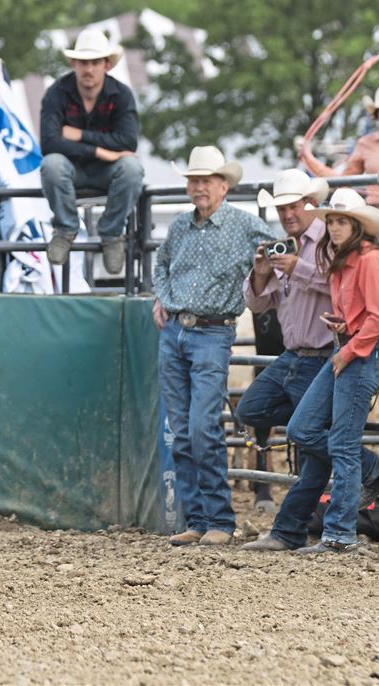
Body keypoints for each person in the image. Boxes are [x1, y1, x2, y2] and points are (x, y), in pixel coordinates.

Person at [243, 188, 379, 553]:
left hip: (359, 353)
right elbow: (366, 315)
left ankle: (339, 535)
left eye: (342, 221)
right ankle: (372, 470)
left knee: (334, 440)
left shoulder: (370, 260)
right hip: (347, 350)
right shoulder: (343, 261)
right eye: (333, 221)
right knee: (303, 428)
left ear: (356, 225)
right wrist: (341, 326)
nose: (336, 227)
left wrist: (350, 347)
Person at [152, 146, 272, 546]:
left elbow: (279, 250)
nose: (198, 187)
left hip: (212, 331)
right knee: (183, 430)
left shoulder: (244, 225)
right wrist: (164, 298)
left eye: (205, 181)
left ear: (223, 186)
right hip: (177, 329)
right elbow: (161, 265)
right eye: (193, 180)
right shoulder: (180, 227)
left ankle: (219, 519)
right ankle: (199, 519)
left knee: (202, 426)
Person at [234, 169, 356, 510]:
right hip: (294, 356)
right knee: (251, 409)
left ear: (310, 204)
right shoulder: (289, 247)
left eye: (294, 207)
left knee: (303, 437)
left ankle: (303, 517)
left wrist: (294, 269)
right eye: (281, 208)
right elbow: (259, 303)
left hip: (320, 355)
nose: (287, 214)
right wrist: (259, 275)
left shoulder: (331, 240)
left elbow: (340, 285)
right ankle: (341, 444)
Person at [39, 28, 143, 275]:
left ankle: (112, 234)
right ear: (74, 63)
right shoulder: (56, 93)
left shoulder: (122, 95)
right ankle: (65, 229)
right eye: (84, 62)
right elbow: (49, 143)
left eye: (95, 62)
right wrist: (100, 151)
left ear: (106, 65)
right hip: (73, 169)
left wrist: (80, 136)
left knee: (132, 169)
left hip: (105, 170)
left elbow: (128, 141)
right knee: (51, 164)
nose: (89, 69)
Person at [299, 82, 379, 206]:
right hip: (377, 213)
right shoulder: (365, 144)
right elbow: (342, 181)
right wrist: (309, 158)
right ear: (377, 114)